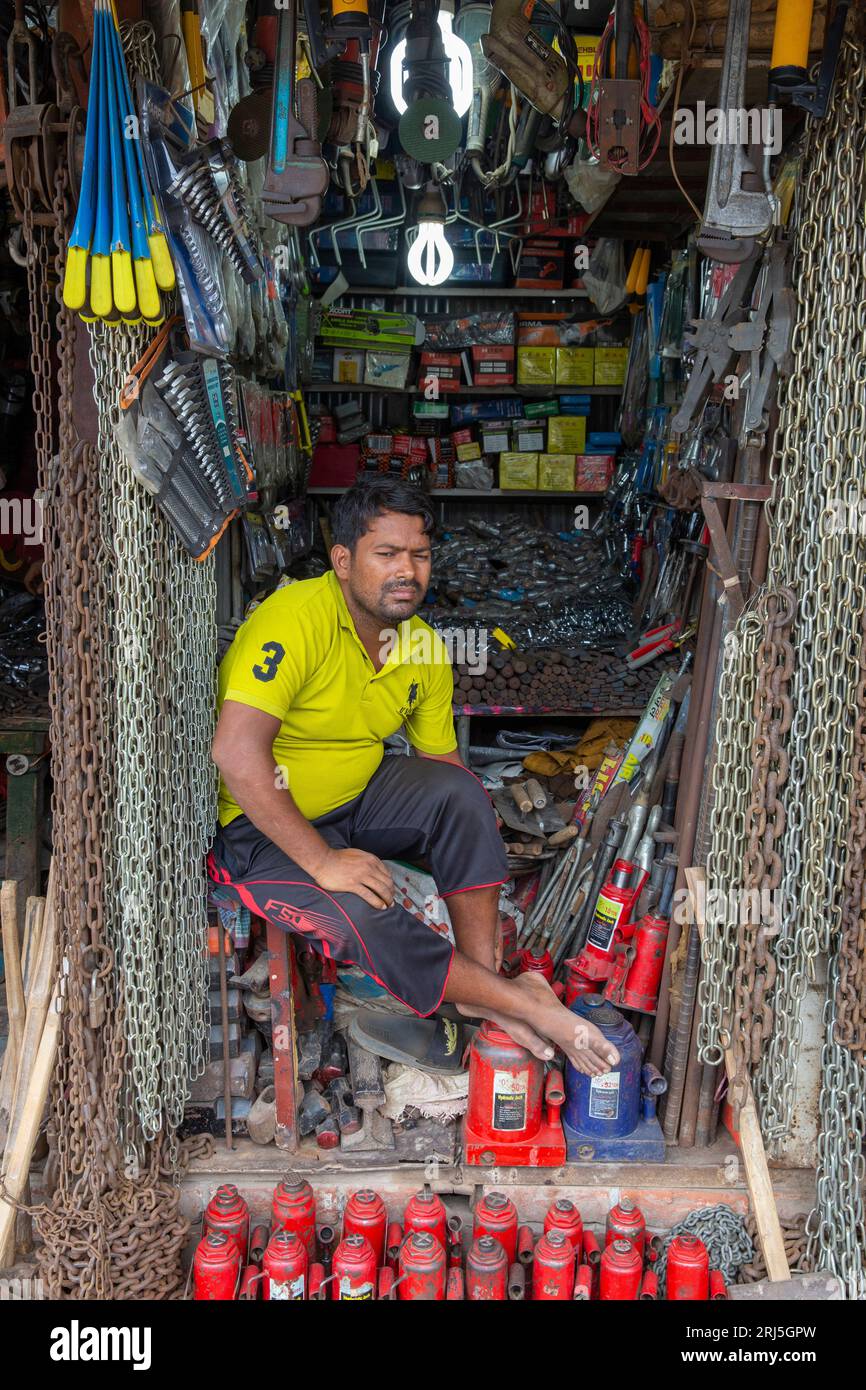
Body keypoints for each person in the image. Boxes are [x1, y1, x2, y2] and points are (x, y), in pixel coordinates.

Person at [209, 478, 618, 1076]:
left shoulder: (422, 646)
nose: (407, 571)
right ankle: (521, 1003)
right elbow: (237, 755)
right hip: (262, 829)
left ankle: (481, 996)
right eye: (388, 555)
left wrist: (464, 827)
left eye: (419, 556)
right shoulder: (292, 621)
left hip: (359, 800)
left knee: (462, 795)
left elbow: (445, 769)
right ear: (343, 560)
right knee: (362, 912)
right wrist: (325, 861)